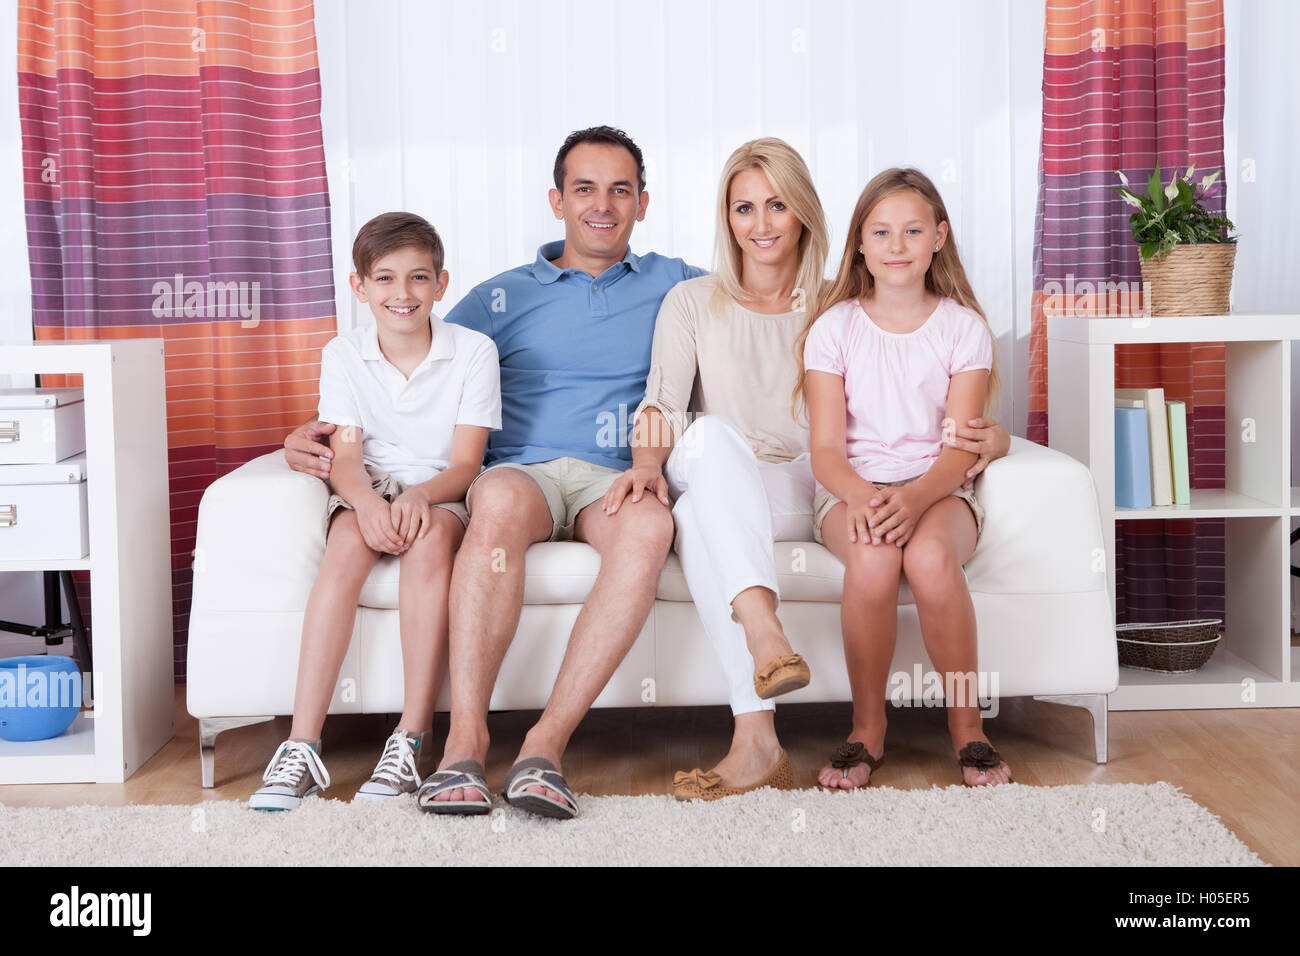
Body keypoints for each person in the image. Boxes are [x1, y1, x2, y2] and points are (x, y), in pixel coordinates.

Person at [286, 126, 703, 819]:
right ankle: (464, 747)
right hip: (524, 473)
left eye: (620, 190)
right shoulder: (500, 297)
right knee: (501, 503)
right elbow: (410, 355)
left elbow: (763, 307)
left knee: (650, 527)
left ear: (643, 202)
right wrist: (317, 432)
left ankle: (544, 746)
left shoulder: (679, 283)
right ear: (556, 200)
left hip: (618, 478)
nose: (602, 205)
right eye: (585, 189)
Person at [607, 141, 1012, 799]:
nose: (761, 223)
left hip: (815, 486)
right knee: (706, 452)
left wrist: (992, 439)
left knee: (697, 516)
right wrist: (647, 463)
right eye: (744, 207)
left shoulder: (839, 305)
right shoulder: (691, 302)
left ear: (804, 215)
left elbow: (912, 409)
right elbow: (661, 404)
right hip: (741, 482)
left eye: (778, 205)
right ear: (726, 217)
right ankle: (762, 670)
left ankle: (760, 736)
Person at [250, 212, 501, 811]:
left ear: (441, 285)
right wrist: (363, 502)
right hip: (370, 481)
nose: (402, 294)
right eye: (385, 279)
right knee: (343, 547)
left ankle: (411, 737)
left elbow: (467, 463)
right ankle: (301, 743)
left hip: (440, 487)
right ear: (360, 287)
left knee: (430, 543)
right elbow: (347, 453)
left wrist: (420, 497)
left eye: (418, 278)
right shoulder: (344, 353)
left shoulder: (473, 351)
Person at [801, 167, 1013, 789]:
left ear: (938, 237)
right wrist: (871, 499)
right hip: (853, 487)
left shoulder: (963, 328)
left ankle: (968, 728)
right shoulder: (833, 328)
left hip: (939, 486)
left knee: (929, 561)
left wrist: (916, 497)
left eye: (913, 230)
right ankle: (868, 729)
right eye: (882, 232)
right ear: (860, 245)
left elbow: (959, 449)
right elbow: (824, 452)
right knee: (871, 562)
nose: (897, 246)